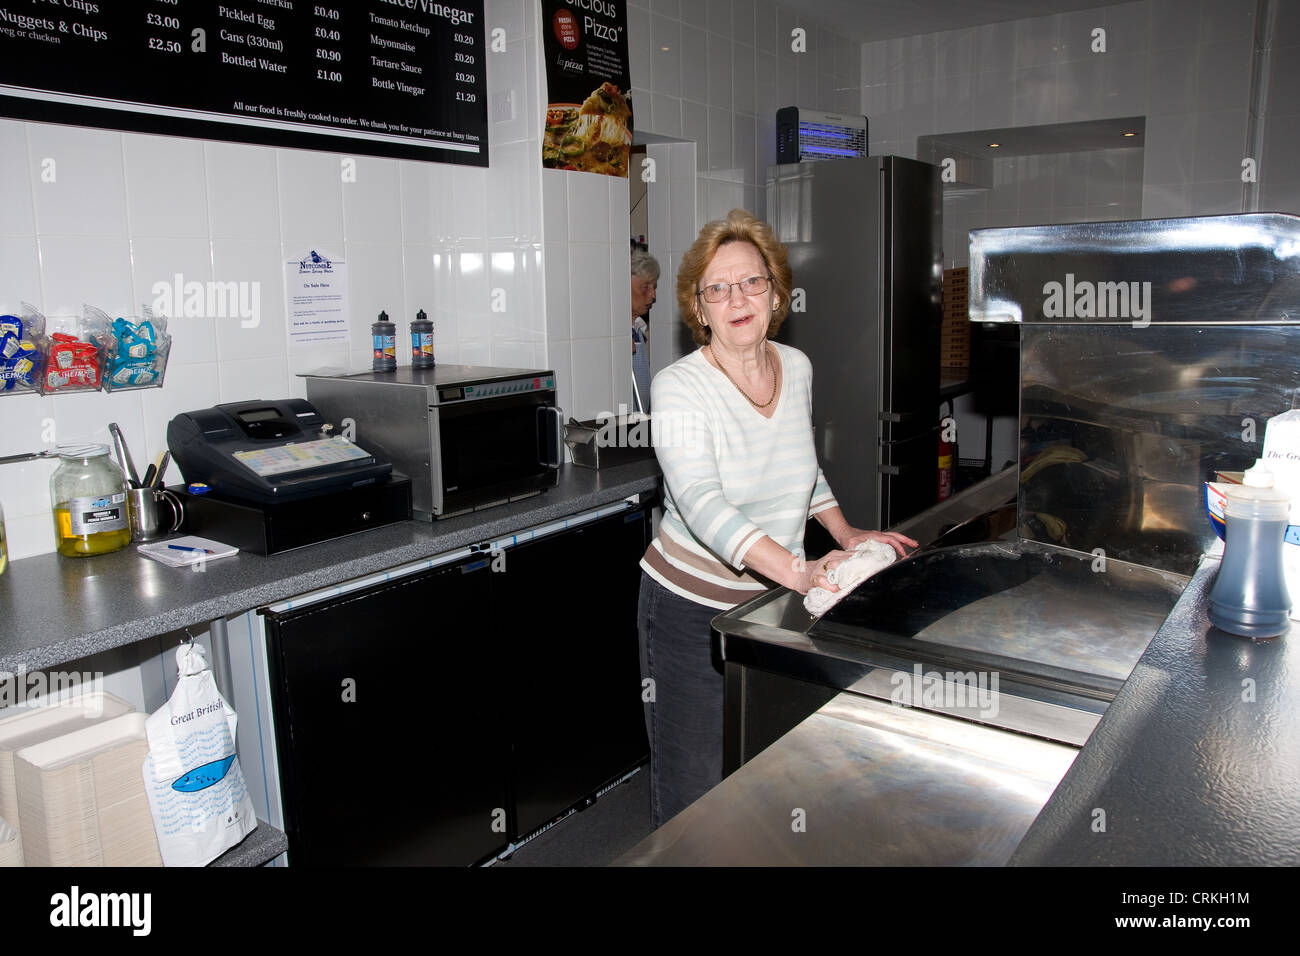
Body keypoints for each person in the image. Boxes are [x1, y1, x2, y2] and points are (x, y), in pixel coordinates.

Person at [637, 208, 916, 828]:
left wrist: (844, 532)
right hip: (690, 609)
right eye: (719, 288)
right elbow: (704, 503)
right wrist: (800, 571)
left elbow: (802, 466)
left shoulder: (798, 368)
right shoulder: (679, 388)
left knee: (767, 766)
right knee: (696, 785)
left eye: (752, 282)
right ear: (699, 308)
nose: (737, 298)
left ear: (776, 292)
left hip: (772, 601)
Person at [630, 245, 659, 413]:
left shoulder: (638, 328)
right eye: (645, 287)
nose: (653, 295)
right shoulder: (612, 337)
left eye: (654, 287)